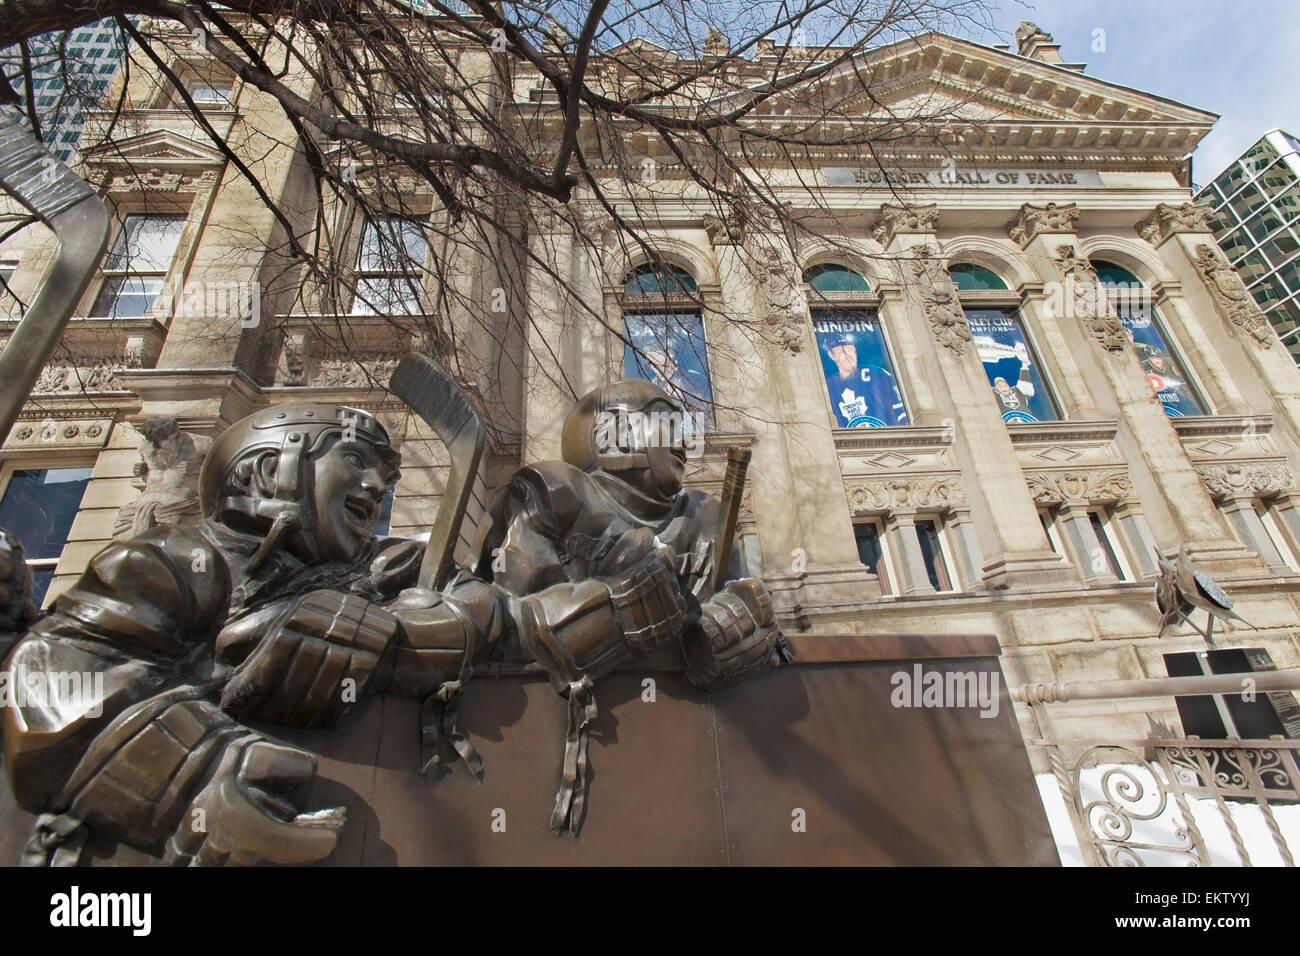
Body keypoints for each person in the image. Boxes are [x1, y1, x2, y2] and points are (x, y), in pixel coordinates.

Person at [1, 403, 507, 866]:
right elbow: (57, 680)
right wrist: (194, 777)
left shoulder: (388, 564)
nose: (377, 485)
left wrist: (407, 634)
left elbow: (485, 606)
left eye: (385, 474)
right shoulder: (170, 563)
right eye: (354, 459)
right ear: (270, 470)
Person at [474, 379, 791, 831]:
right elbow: (500, 618)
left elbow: (743, 609)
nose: (683, 440)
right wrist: (612, 610)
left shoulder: (704, 516)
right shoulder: (552, 492)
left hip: (683, 759)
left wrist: (741, 625)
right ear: (614, 432)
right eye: (665, 422)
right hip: (569, 742)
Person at [820, 331, 905, 427]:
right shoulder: (828, 387)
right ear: (832, 355)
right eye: (841, 351)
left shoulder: (877, 374)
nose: (848, 355)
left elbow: (901, 409)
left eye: (851, 349)